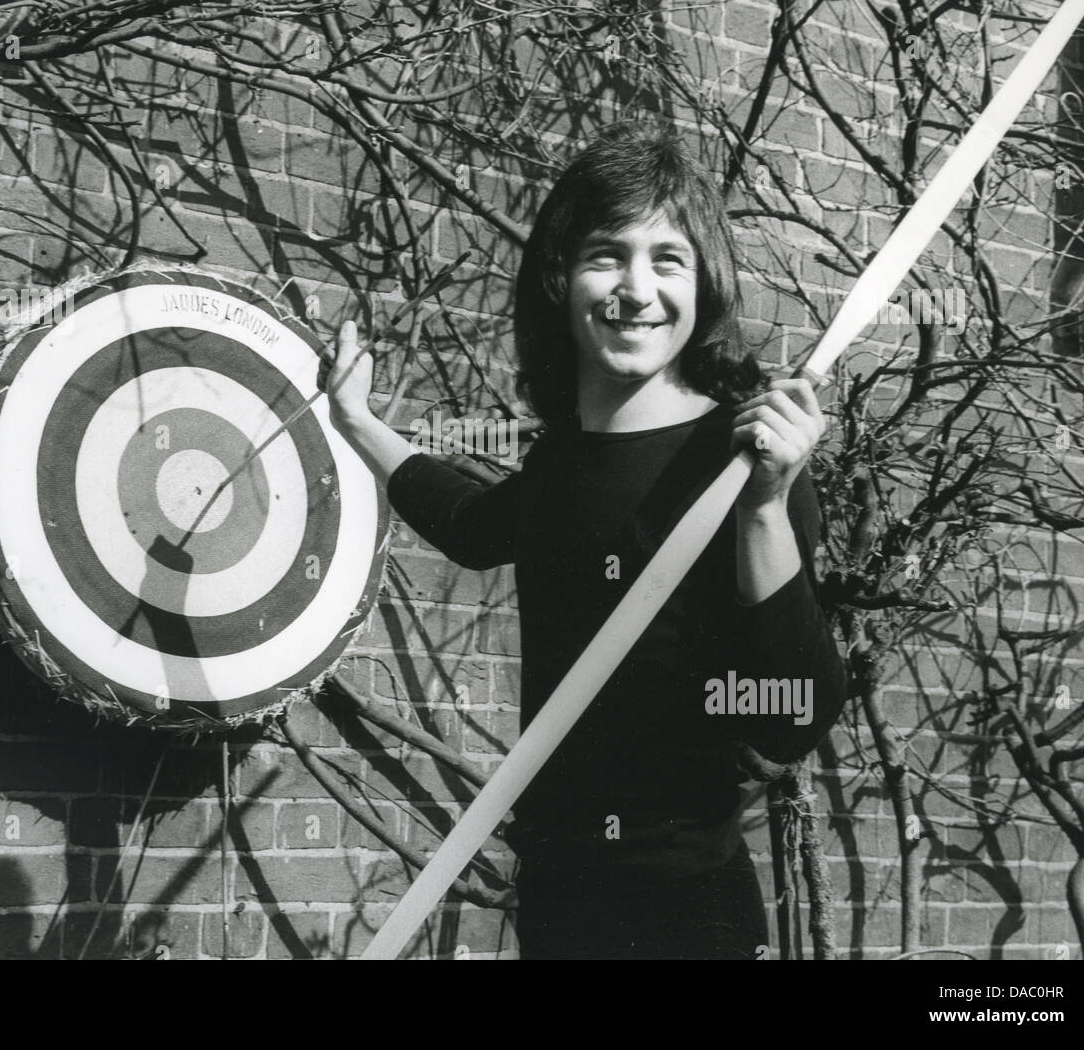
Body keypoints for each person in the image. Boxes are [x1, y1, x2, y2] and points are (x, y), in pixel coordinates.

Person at [326, 119, 847, 959]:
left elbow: (792, 715)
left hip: (686, 907)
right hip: (561, 894)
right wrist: (357, 423)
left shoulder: (742, 460)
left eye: (667, 258)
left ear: (703, 281)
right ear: (561, 279)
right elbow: (472, 526)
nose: (637, 289)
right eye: (609, 254)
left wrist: (766, 507)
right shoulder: (566, 458)